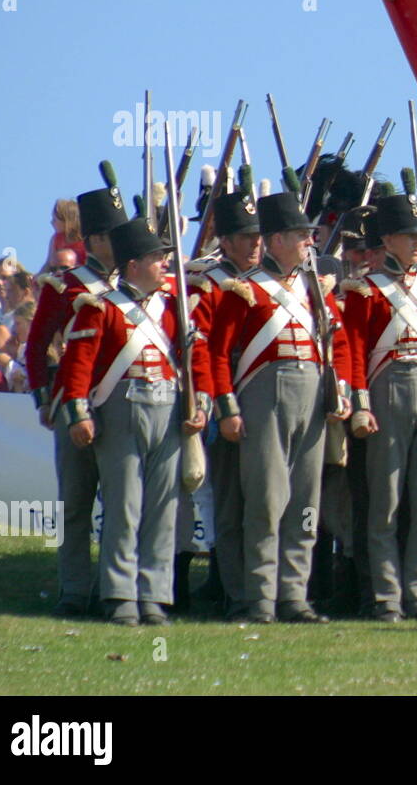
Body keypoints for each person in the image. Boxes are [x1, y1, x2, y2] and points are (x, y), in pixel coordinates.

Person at [207, 186, 353, 624]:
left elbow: (338, 343)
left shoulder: (314, 289)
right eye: (300, 234)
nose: (310, 241)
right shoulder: (244, 290)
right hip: (262, 395)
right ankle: (261, 598)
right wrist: (227, 408)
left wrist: (341, 389)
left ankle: (294, 595)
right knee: (268, 500)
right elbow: (217, 353)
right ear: (276, 241)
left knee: (306, 502)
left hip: (311, 395)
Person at [56, 217, 211, 625]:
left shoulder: (174, 309)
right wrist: (78, 413)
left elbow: (196, 358)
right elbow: (79, 366)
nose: (163, 265)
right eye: (156, 258)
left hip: (169, 407)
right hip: (121, 408)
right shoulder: (100, 308)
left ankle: (154, 594)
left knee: (163, 508)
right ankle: (120, 593)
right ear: (132, 265)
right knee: (124, 506)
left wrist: (201, 406)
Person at [344, 180, 417, 622]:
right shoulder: (365, 290)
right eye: (410, 236)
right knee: (386, 502)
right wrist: (360, 403)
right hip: (386, 388)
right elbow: (353, 351)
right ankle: (386, 595)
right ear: (388, 240)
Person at [26, 175, 129, 617]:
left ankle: (116, 589)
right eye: (108, 236)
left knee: (123, 504)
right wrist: (44, 397)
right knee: (76, 503)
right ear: (93, 239)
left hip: (125, 401)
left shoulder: (138, 283)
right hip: (74, 400)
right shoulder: (64, 287)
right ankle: (73, 590)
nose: (116, 244)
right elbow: (36, 346)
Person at [182, 172, 262, 618]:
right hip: (224, 402)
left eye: (257, 237)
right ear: (224, 241)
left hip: (265, 399)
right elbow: (202, 347)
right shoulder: (206, 282)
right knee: (227, 501)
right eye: (244, 238)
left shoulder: (273, 282)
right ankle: (232, 587)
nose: (254, 245)